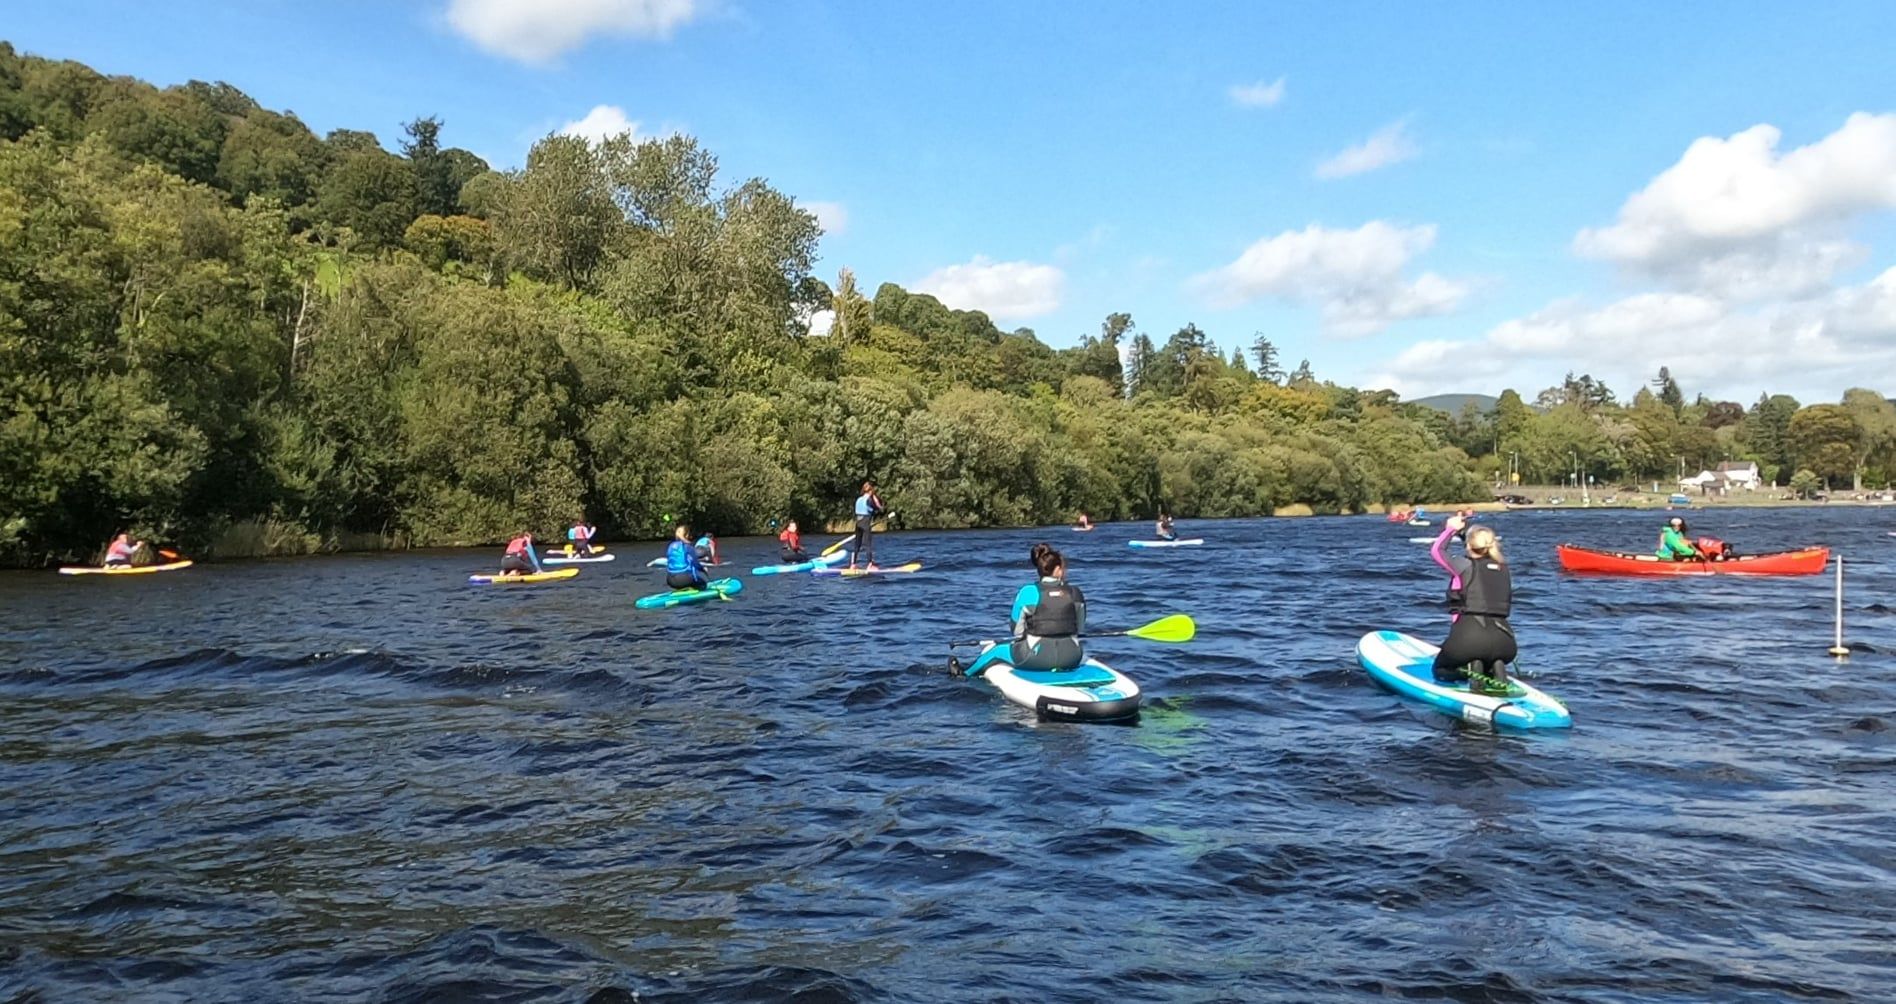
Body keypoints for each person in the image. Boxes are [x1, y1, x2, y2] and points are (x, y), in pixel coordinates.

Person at [1431, 515, 1516, 695]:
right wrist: (1464, 534)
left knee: (1440, 670)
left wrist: (1450, 529)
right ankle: (1495, 670)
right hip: (1505, 643)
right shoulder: (1503, 567)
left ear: (1469, 546)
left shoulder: (1463, 565)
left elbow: (1437, 551)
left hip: (1469, 639)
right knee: (1488, 656)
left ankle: (1473, 668)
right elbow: (1477, 552)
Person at [1005, 543, 1088, 670]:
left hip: (1035, 657)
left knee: (994, 652)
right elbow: (1080, 629)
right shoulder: (1075, 593)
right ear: (1058, 570)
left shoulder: (1028, 592)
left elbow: (1017, 632)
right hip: (1072, 657)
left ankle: (965, 675)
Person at [850, 481, 884, 571]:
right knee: (868, 544)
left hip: (858, 523)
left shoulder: (858, 499)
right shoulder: (869, 500)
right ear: (871, 491)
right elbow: (878, 509)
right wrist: (876, 501)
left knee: (857, 544)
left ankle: (853, 564)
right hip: (865, 523)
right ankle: (870, 564)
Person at [667, 524, 709, 590]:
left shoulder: (670, 546)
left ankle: (682, 589)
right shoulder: (688, 547)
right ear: (687, 535)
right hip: (684, 579)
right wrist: (703, 570)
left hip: (670, 580)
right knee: (703, 584)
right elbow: (696, 564)